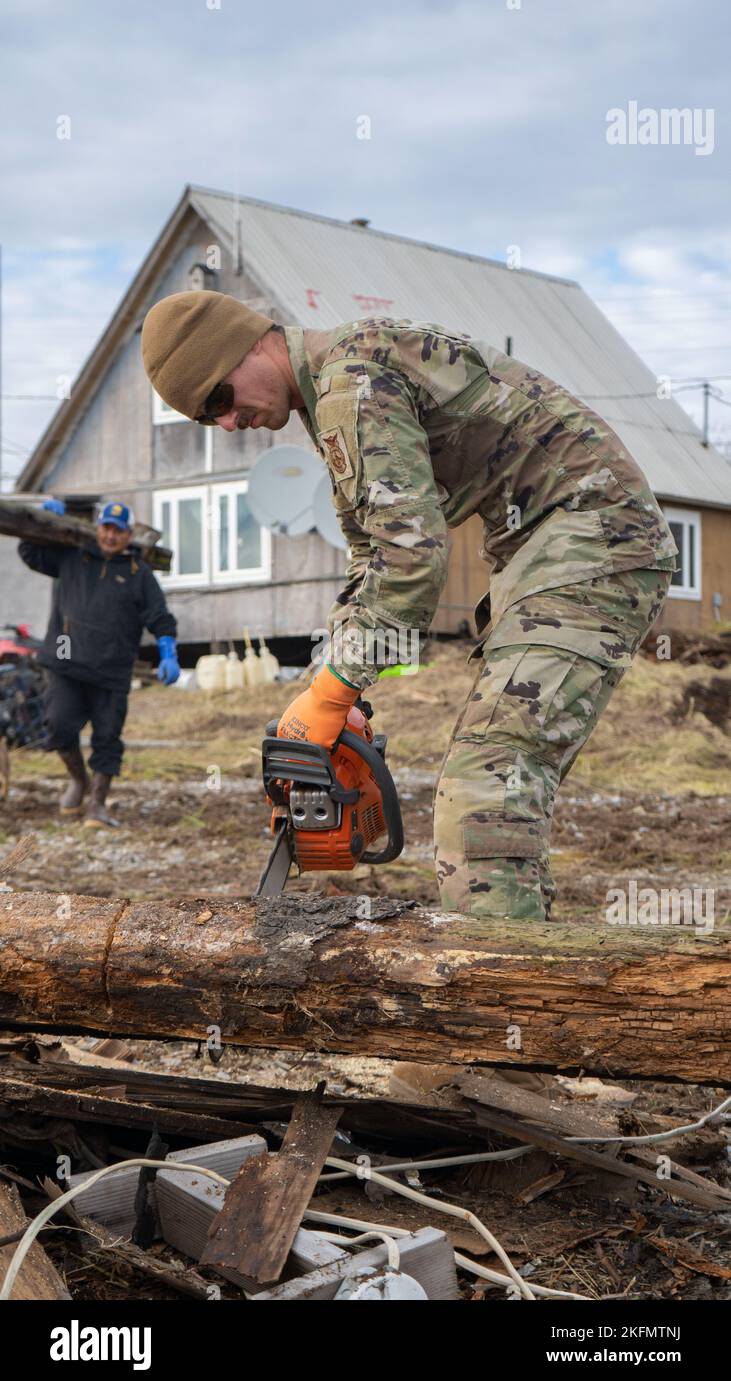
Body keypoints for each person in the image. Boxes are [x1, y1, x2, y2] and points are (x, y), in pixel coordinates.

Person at [142, 291, 677, 919]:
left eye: (219, 399)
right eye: (210, 421)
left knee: (488, 783)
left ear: (246, 344)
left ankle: (507, 988)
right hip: (553, 549)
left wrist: (333, 693)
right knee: (493, 775)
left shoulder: (350, 381)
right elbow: (371, 552)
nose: (229, 425)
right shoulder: (330, 394)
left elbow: (413, 557)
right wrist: (335, 690)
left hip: (594, 542)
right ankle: (519, 954)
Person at [19, 500, 180, 826]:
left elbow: (160, 618)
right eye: (106, 527)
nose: (110, 535)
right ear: (98, 528)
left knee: (107, 738)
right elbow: (30, 554)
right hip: (65, 658)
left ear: (128, 534)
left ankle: (97, 805)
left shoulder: (139, 574)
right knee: (58, 725)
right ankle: (79, 780)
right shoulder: (72, 555)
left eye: (118, 531)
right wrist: (45, 523)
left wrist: (169, 652)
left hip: (111, 669)